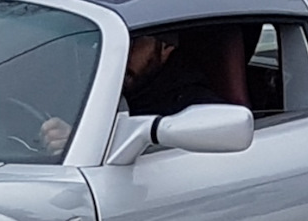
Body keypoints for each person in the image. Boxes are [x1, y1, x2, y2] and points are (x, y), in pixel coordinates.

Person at [41, 30, 220, 154]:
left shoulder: (193, 106)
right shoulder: (90, 88)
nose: (122, 53)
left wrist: (82, 143)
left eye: (132, 42)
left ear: (166, 48)